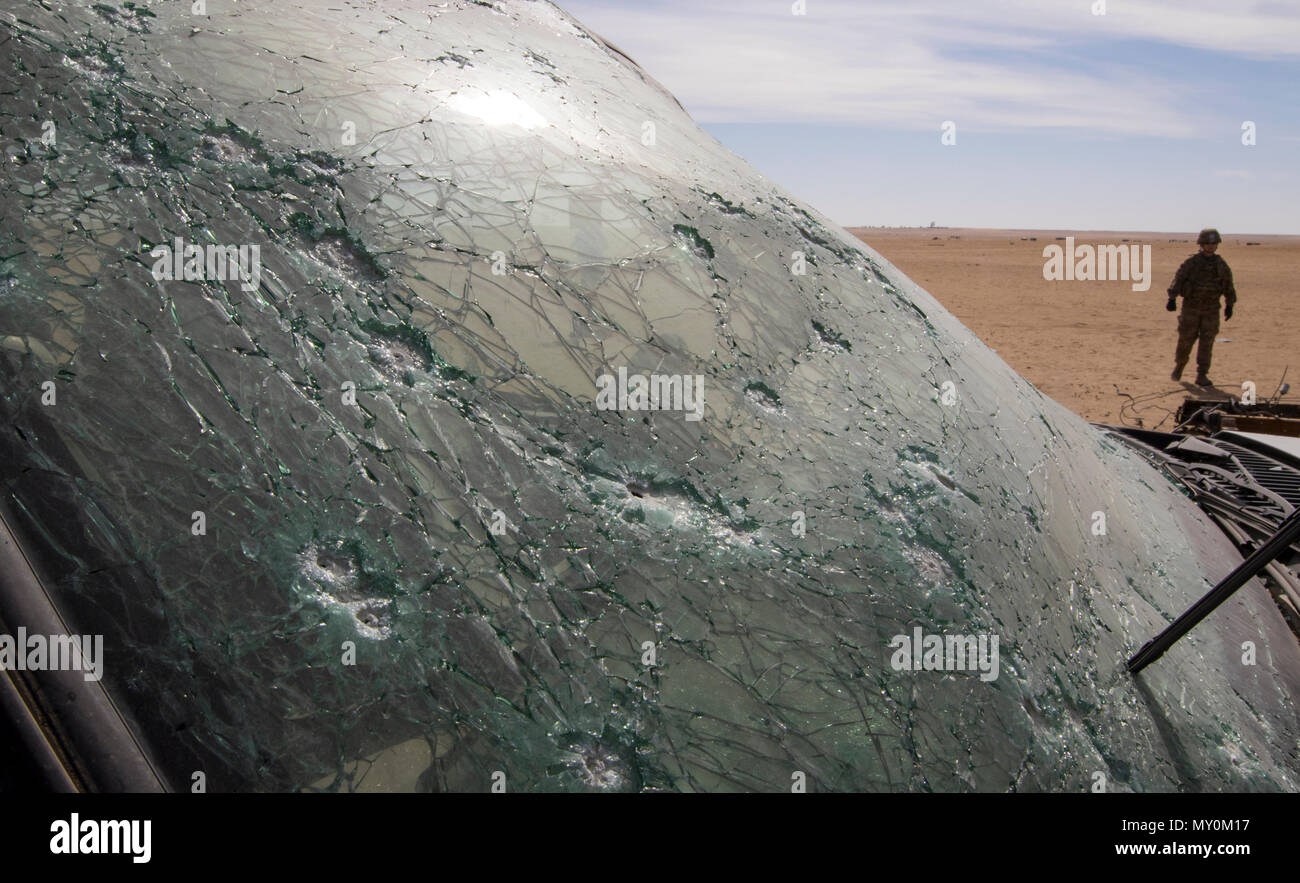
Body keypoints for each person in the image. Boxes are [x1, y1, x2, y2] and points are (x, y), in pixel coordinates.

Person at [1166, 228, 1236, 386]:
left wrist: (1229, 304)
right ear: (1201, 244)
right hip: (1191, 308)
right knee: (1185, 340)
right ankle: (1179, 366)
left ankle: (1202, 374)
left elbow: (1228, 285)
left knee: (1207, 343)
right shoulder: (1192, 263)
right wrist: (1172, 298)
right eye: (1207, 243)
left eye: (1213, 243)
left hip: (1211, 310)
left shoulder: (1220, 264)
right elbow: (1178, 279)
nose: (1210, 246)